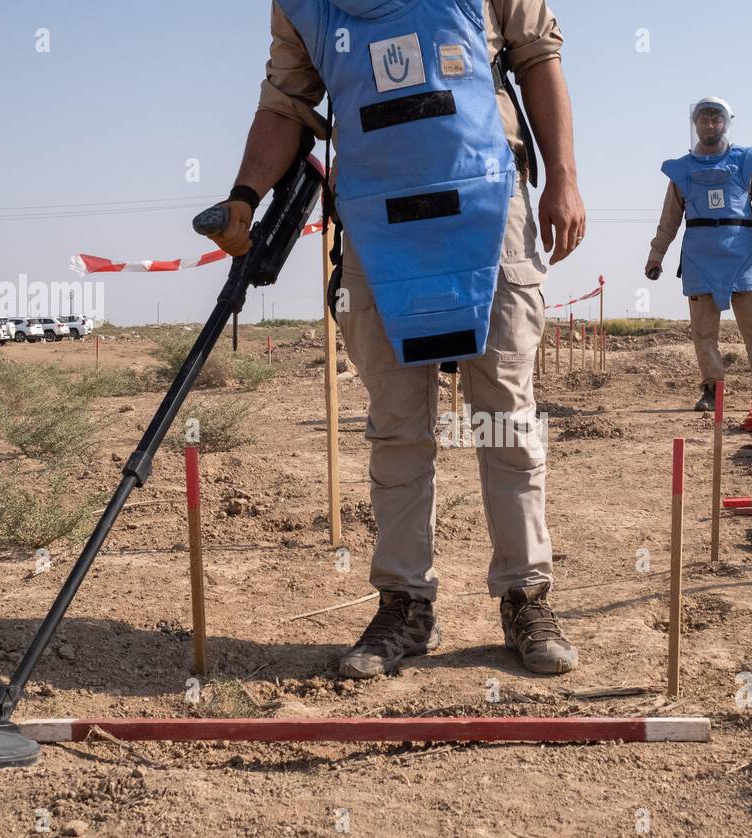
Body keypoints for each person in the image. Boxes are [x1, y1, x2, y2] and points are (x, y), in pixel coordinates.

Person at [205, 0, 585, 678]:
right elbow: (286, 103)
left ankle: (526, 597)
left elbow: (537, 58)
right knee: (398, 424)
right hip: (377, 225)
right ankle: (405, 605)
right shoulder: (307, 6)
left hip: (489, 207)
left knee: (505, 416)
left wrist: (563, 180)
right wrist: (244, 195)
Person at [645, 97, 752, 413]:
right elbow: (669, 219)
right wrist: (656, 255)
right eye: (704, 119)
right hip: (700, 261)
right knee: (704, 334)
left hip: (742, 259)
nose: (710, 125)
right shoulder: (683, 171)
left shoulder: (745, 163)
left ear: (726, 123)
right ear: (695, 124)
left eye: (716, 119)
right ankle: (712, 391)